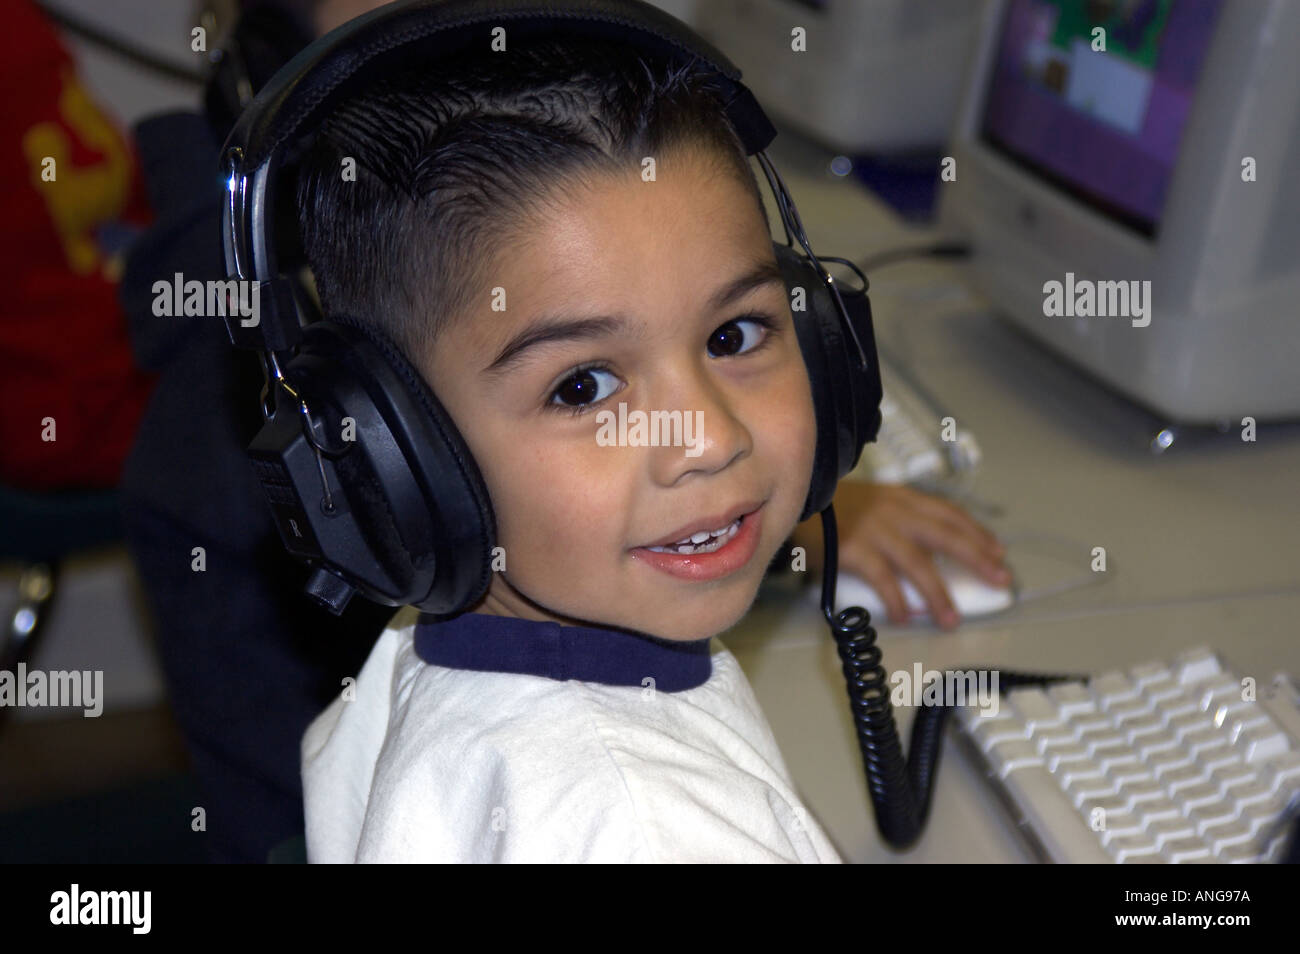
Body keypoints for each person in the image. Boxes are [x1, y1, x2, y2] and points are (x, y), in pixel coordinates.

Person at [292, 19, 1005, 863]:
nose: (705, 438)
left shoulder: (408, 669)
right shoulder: (645, 827)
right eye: (584, 386)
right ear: (399, 455)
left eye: (735, 336)